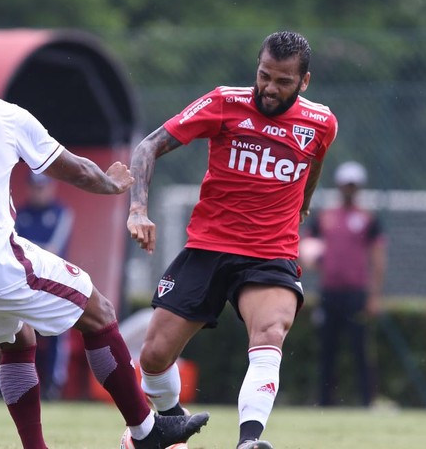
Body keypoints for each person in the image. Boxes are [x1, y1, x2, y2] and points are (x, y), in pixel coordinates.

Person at [0, 23, 208, 449]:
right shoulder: (5, 114)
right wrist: (110, 184)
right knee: (99, 312)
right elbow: (74, 168)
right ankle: (146, 430)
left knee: (19, 339)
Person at [127, 31, 338, 449]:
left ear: (304, 81)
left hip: (269, 254)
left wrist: (304, 204)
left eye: (282, 81)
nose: (270, 88)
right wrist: (137, 210)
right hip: (208, 246)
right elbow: (147, 147)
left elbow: (314, 163)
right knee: (152, 356)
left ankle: (249, 441)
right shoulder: (225, 102)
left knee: (271, 331)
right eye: (264, 76)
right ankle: (170, 426)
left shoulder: (321, 123)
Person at [302, 161, 386, 408]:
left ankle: (366, 401)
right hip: (329, 293)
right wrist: (314, 260)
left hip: (356, 294)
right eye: (346, 185)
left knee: (361, 349)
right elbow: (306, 245)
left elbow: (378, 259)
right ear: (339, 186)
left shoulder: (368, 219)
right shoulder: (325, 217)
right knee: (328, 350)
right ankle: (325, 402)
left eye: (354, 185)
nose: (349, 189)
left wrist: (374, 296)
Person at [15, 173, 75, 400]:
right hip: (23, 285)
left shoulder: (61, 213)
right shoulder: (19, 214)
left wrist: (28, 250)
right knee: (14, 330)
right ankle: (19, 384)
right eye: (35, 187)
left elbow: (53, 249)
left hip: (53, 286)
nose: (39, 191)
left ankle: (53, 384)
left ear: (52, 187)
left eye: (43, 187)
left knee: (59, 330)